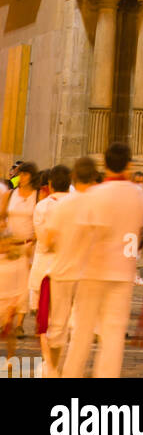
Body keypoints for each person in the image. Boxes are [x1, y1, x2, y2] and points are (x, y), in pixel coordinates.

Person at [62, 142, 143, 379]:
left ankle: (71, 374)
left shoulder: (94, 194)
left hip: (92, 270)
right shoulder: (138, 194)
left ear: (106, 163)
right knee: (113, 335)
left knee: (82, 331)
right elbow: (141, 229)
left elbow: (80, 233)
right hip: (122, 270)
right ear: (129, 164)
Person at [40, 157, 99, 376]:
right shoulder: (97, 207)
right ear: (94, 178)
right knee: (82, 327)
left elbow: (47, 241)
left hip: (62, 271)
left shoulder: (61, 206)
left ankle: (53, 371)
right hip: (89, 273)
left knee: (57, 326)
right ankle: (74, 371)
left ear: (74, 176)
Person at [29, 165, 72, 333]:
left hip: (45, 264)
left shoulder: (42, 206)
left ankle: (48, 355)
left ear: (51, 183)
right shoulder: (77, 204)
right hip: (69, 264)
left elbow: (43, 239)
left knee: (45, 318)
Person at [2, 160, 38, 332]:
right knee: (6, 285)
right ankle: (6, 319)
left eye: (25, 174)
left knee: (24, 287)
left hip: (27, 245)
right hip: (10, 246)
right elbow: (1, 217)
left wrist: (34, 242)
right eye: (20, 174)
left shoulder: (37, 196)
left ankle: (19, 324)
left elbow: (39, 222)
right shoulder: (9, 195)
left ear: (32, 176)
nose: (21, 177)